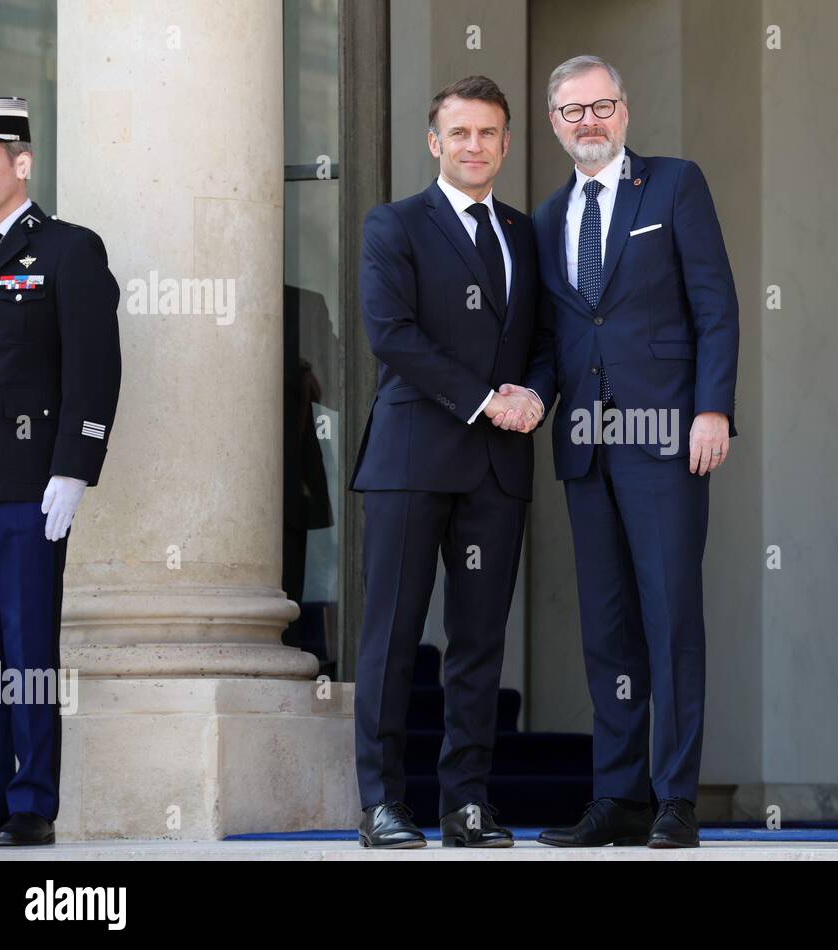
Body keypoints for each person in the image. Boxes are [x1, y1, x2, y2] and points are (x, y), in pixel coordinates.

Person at [508, 55, 738, 849]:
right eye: (572, 112)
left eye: (601, 106)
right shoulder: (543, 221)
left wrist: (713, 409)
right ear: (554, 124)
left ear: (625, 111)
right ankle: (619, 796)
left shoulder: (673, 186)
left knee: (671, 618)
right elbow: (549, 339)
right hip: (586, 450)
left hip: (670, 442)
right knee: (607, 631)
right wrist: (532, 396)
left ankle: (675, 798)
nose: (589, 122)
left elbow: (716, 306)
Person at [349, 76, 543, 849]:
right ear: (435, 143)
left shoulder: (525, 235)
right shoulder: (392, 225)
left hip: (498, 469)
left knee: (478, 643)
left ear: (504, 143)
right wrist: (486, 400)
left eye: (487, 133)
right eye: (458, 133)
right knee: (391, 638)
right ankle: (381, 803)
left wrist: (535, 395)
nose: (473, 146)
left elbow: (547, 343)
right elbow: (391, 335)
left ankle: (465, 802)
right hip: (410, 461)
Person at [0, 97, 122, 847]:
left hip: (27, 487)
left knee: (26, 646)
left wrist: (74, 467)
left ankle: (32, 802)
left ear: (21, 163)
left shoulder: (68, 250)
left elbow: (93, 370)